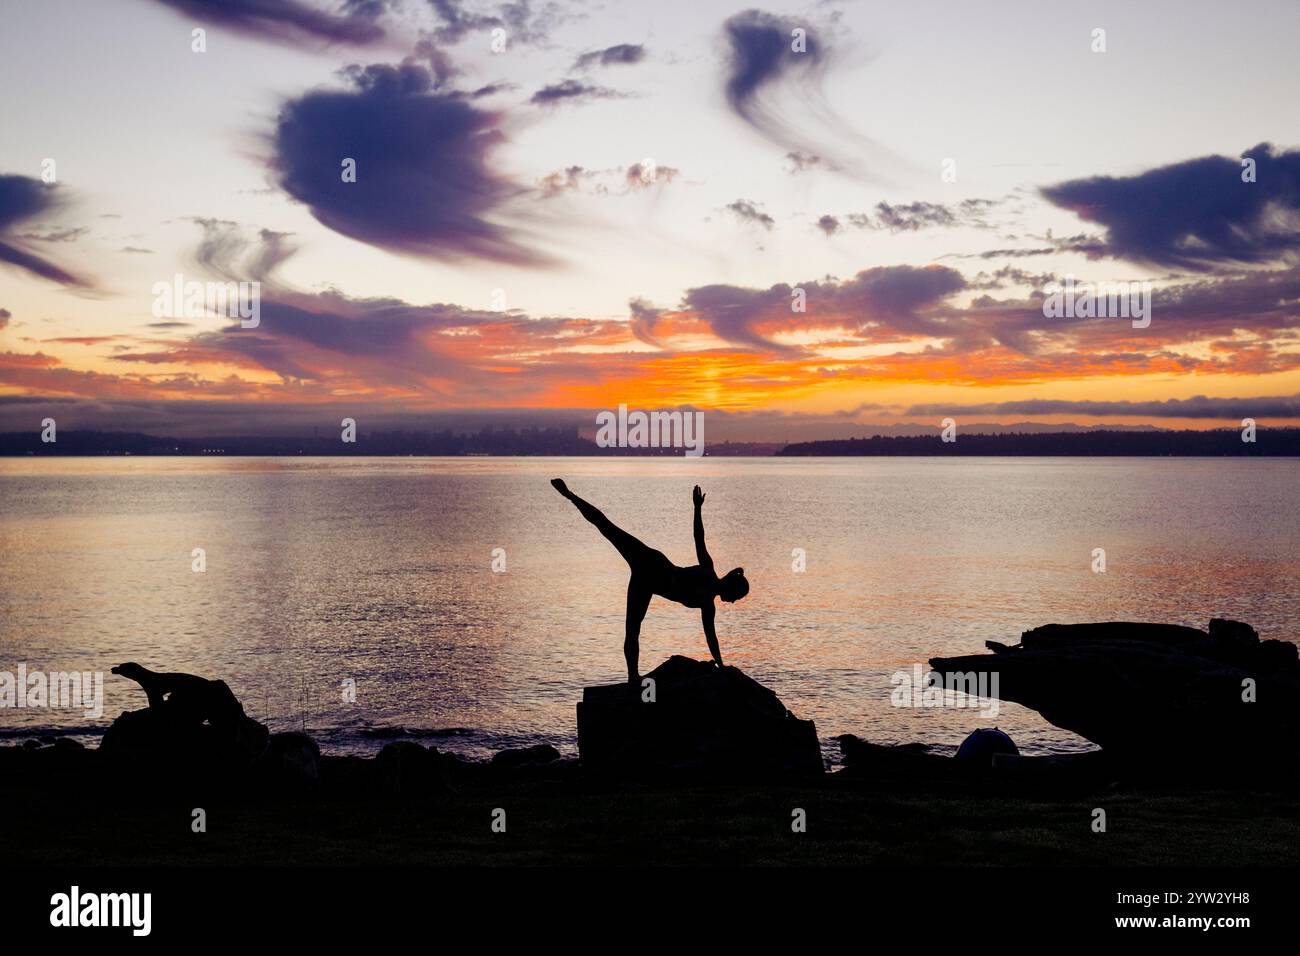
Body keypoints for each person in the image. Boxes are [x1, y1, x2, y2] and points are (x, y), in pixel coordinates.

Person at [551, 478, 749, 685]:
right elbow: (699, 537)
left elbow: (711, 638)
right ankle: (569, 494)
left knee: (633, 628)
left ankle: (632, 678)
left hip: (646, 584)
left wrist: (721, 665)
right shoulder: (708, 573)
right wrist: (697, 508)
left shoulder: (708, 606)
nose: (734, 602)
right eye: (737, 597)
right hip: (651, 562)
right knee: (607, 528)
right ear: (732, 589)